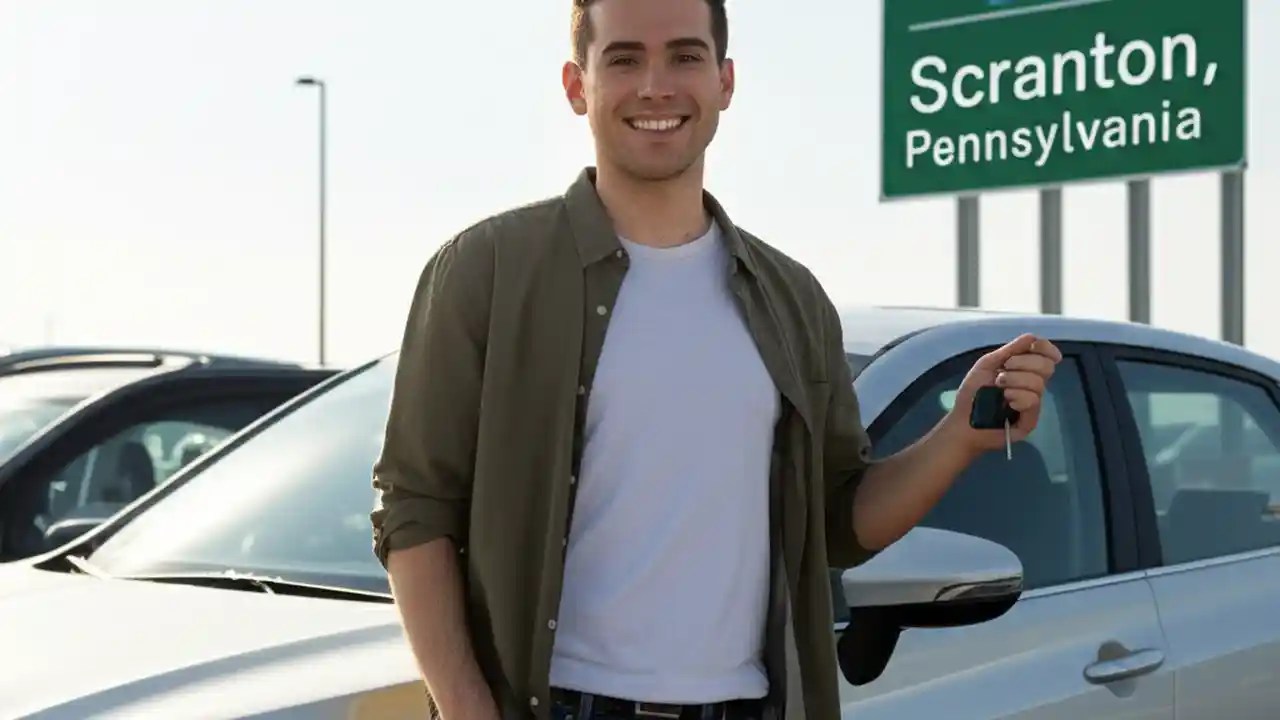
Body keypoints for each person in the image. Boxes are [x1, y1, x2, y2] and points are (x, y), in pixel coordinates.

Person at [369, 0, 1063, 718]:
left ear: (725, 82)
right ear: (578, 86)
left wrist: (959, 437)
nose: (657, 86)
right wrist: (464, 706)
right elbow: (415, 506)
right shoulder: (486, 272)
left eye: (686, 56)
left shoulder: (791, 298)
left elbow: (837, 522)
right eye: (625, 58)